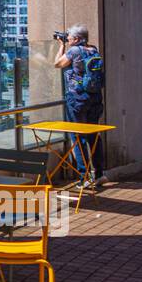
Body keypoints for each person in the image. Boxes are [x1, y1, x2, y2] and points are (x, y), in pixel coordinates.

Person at [54, 26, 106, 187]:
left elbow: (57, 64)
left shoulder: (74, 51)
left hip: (77, 99)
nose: (67, 39)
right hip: (95, 98)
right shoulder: (92, 49)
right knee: (93, 135)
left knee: (78, 137)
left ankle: (84, 178)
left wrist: (60, 45)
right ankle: (99, 174)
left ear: (77, 39)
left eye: (69, 37)